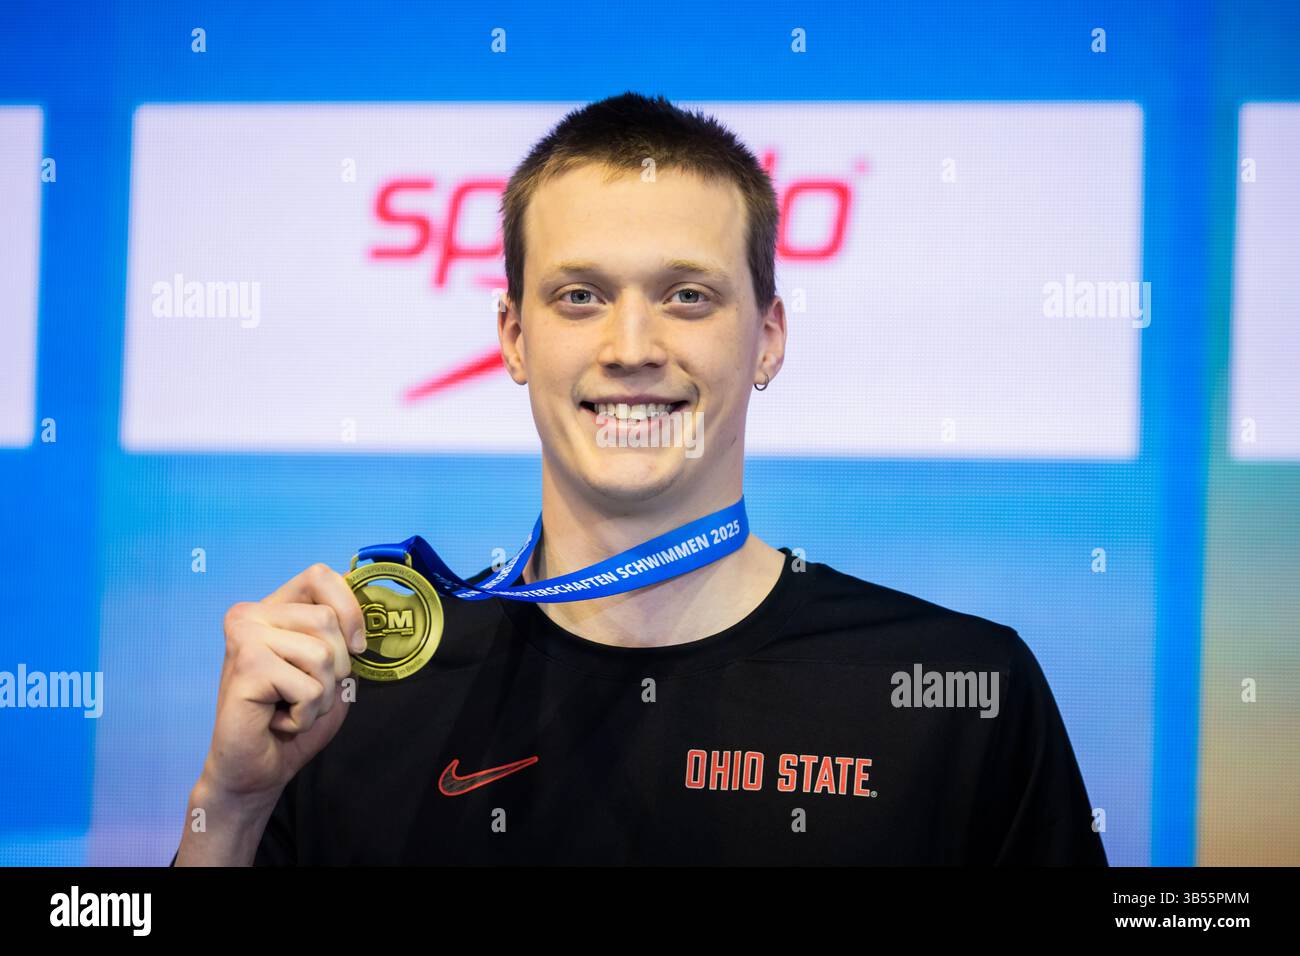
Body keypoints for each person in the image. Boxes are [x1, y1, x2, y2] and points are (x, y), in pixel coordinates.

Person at [171, 91, 1107, 865]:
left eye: (686, 296)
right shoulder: (351, 703)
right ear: (513, 339)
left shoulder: (960, 692)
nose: (630, 349)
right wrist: (231, 805)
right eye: (580, 296)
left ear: (768, 339)